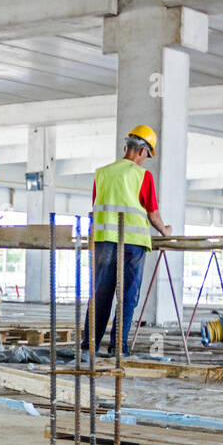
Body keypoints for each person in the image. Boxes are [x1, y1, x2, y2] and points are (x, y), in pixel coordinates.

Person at [81, 125, 172, 360]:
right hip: (132, 243)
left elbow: (96, 207)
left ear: (126, 147)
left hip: (103, 241)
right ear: (142, 152)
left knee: (100, 293)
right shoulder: (142, 176)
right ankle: (118, 347)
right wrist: (165, 230)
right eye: (146, 156)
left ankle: (89, 345)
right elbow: (152, 214)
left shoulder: (101, 173)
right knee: (128, 295)